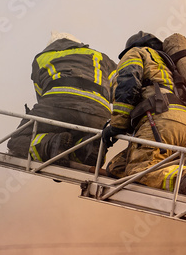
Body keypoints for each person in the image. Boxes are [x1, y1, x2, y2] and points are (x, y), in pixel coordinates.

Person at [102, 31, 186, 195]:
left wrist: (117, 125)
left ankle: (184, 175)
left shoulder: (136, 53)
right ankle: (178, 171)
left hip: (161, 121)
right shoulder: (169, 64)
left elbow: (127, 87)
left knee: (139, 171)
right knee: (117, 168)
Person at [7, 33, 117, 166]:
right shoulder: (100, 57)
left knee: (17, 141)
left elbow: (41, 95)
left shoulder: (41, 58)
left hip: (58, 104)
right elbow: (120, 86)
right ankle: (86, 148)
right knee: (78, 139)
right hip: (100, 114)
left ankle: (52, 144)